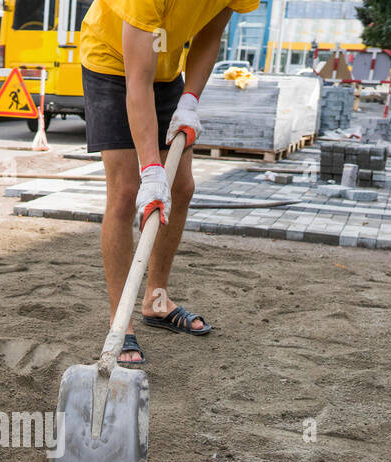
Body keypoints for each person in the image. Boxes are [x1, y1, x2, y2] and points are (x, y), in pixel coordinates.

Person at [78, 0, 258, 368]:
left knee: (181, 188)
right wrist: (151, 171)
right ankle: (121, 322)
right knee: (128, 193)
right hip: (112, 63)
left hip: (166, 69)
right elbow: (137, 82)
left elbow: (212, 30)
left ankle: (155, 300)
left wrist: (189, 98)